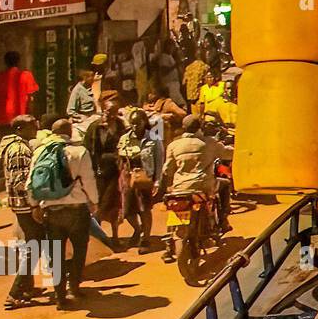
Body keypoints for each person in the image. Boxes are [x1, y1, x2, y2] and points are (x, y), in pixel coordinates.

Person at [34, 119, 99, 309]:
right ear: (70, 132)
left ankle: (59, 295)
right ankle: (74, 287)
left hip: (51, 210)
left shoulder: (40, 152)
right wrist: (94, 202)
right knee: (79, 249)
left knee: (55, 253)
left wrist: (35, 205)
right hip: (76, 209)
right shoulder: (80, 152)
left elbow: (33, 179)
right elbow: (88, 179)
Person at [158, 114, 233, 256]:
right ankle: (223, 220)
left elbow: (167, 169)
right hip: (203, 186)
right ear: (200, 127)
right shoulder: (210, 143)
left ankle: (169, 243)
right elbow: (227, 154)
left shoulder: (174, 145)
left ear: (183, 128)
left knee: (174, 208)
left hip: (180, 187)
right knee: (225, 184)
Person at [1, 115, 46, 309]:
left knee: (32, 245)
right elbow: (20, 180)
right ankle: (15, 293)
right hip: (26, 205)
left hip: (21, 205)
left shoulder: (16, 146)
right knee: (33, 247)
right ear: (20, 129)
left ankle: (28, 287)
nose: (35, 128)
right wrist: (35, 204)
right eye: (31, 126)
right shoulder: (19, 149)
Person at [117, 109, 159, 251]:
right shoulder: (124, 138)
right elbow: (119, 156)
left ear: (144, 122)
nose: (135, 127)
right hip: (127, 176)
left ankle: (146, 238)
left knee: (144, 208)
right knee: (127, 209)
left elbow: (159, 161)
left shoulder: (153, 139)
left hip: (144, 175)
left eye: (138, 123)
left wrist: (157, 180)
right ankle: (137, 229)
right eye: (132, 124)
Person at [89, 99, 125, 244]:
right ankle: (100, 238)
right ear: (103, 111)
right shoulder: (95, 127)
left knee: (115, 204)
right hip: (99, 171)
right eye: (109, 112)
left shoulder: (120, 125)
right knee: (100, 204)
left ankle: (115, 237)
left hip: (116, 170)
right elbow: (90, 150)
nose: (111, 115)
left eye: (114, 112)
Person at [0, 51, 40, 139]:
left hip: (3, 119)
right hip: (23, 119)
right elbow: (32, 99)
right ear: (19, 61)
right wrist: (33, 115)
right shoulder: (27, 76)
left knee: (5, 143)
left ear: (5, 62)